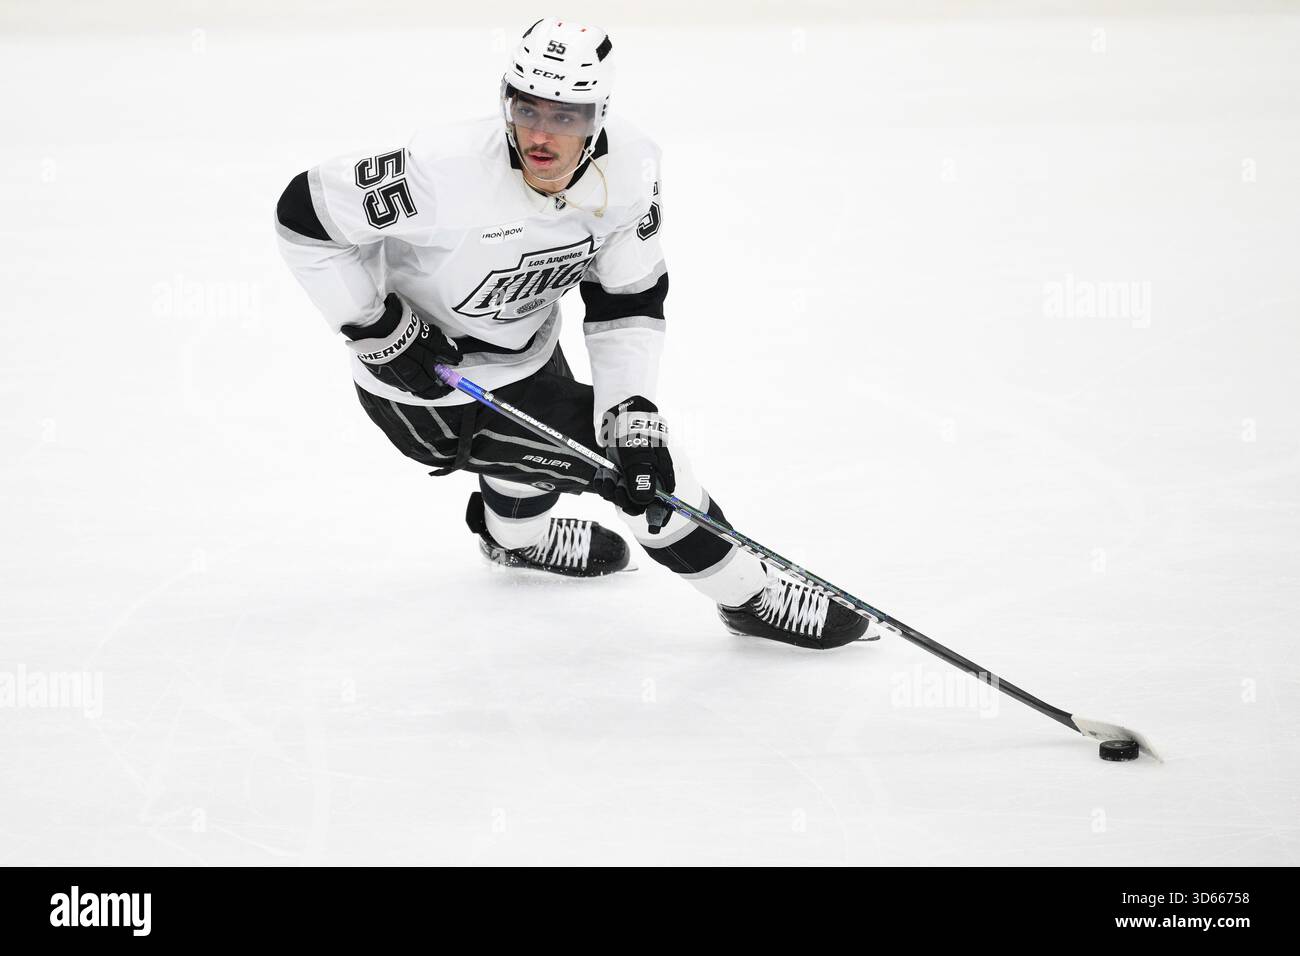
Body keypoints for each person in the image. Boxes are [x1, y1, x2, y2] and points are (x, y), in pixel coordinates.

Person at [275, 17, 866, 649]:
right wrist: (377, 327)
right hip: (431, 392)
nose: (539, 134)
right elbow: (303, 217)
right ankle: (750, 597)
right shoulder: (441, 169)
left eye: (566, 116)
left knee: (569, 456)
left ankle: (514, 540)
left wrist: (631, 410)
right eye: (527, 108)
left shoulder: (632, 170)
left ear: (599, 116)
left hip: (527, 345)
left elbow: (626, 301)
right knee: (654, 486)